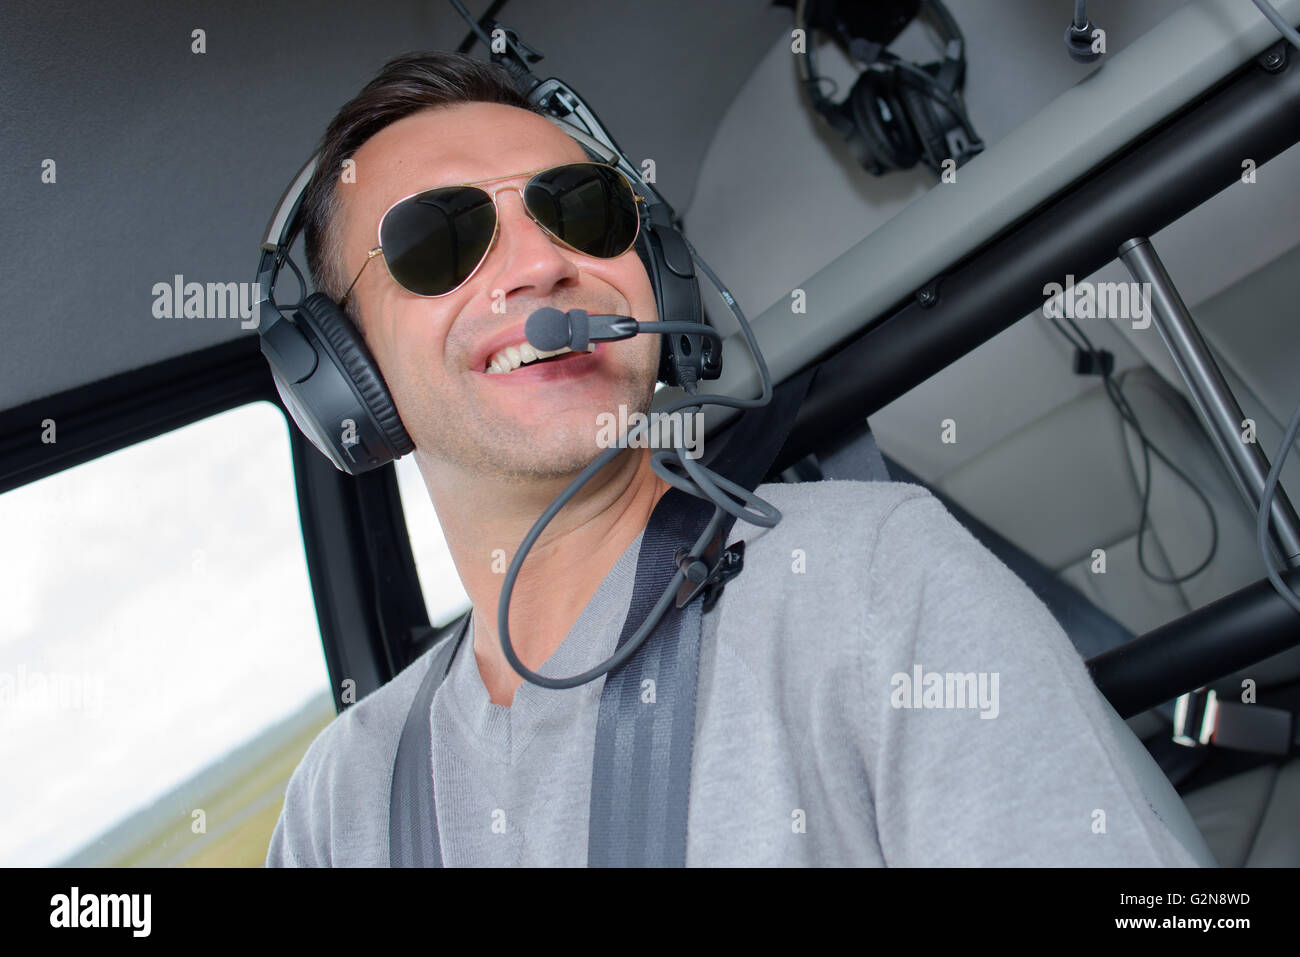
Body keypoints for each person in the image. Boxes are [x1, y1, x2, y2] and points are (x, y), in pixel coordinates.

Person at [266, 50, 1206, 867]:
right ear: (344, 374)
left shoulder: (871, 584)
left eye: (581, 212)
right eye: (439, 240)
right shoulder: (341, 801)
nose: (542, 265)